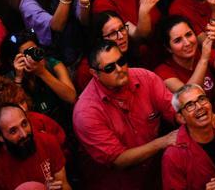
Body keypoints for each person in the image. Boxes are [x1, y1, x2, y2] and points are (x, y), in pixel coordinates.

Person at [72, 39, 179, 190]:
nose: (119, 69)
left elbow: (174, 110)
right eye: (110, 68)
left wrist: (189, 116)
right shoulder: (86, 112)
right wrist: (163, 142)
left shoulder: (146, 78)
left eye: (121, 61)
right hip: (117, 184)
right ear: (94, 73)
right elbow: (118, 160)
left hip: (154, 176)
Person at [0, 103, 70, 190]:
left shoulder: (48, 142)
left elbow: (65, 185)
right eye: (13, 131)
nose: (24, 134)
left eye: (24, 124)